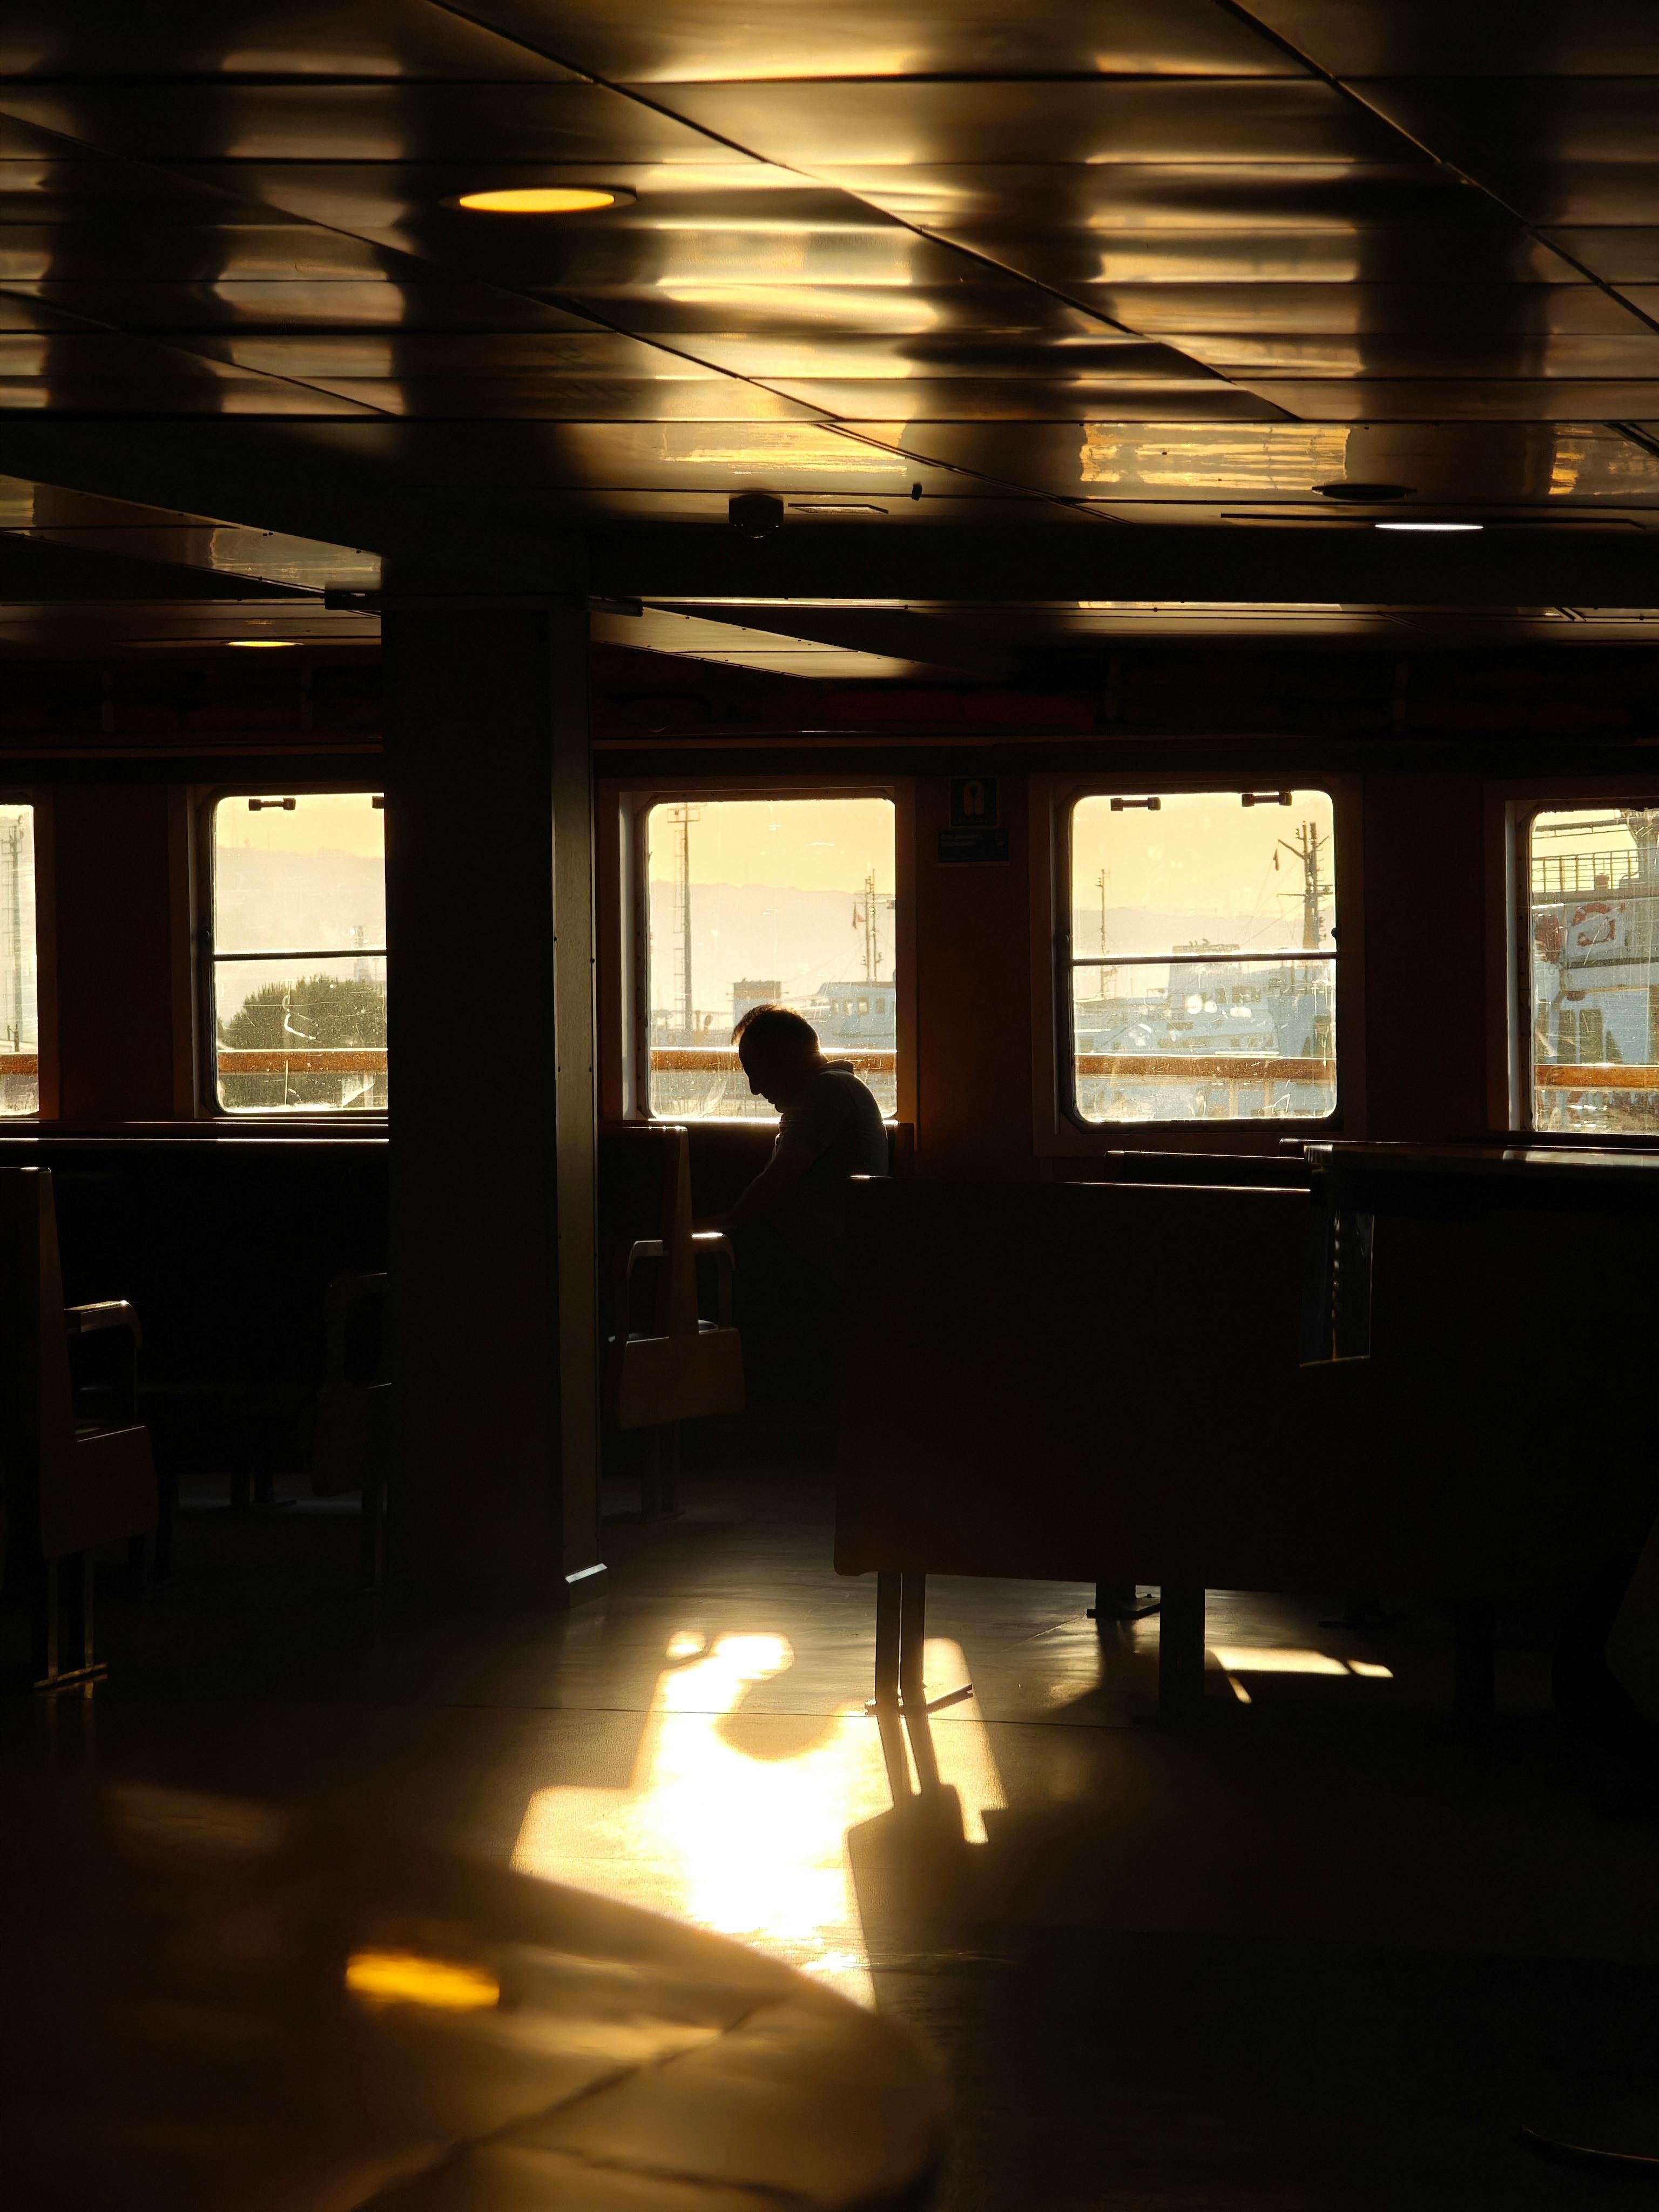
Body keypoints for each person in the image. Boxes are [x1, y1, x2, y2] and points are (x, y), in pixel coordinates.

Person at [712, 1004, 887, 1401]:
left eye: (755, 1070)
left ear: (784, 1059)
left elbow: (777, 1183)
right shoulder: (834, 1091)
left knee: (691, 1268)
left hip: (816, 1260)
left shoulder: (824, 1093)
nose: (755, 1089)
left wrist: (721, 1232)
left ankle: (710, 1404)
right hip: (824, 1253)